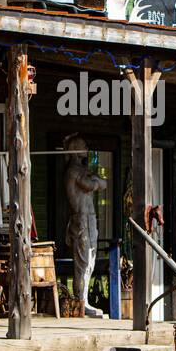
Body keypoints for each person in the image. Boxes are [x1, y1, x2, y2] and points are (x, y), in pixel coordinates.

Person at [63, 134, 106, 315]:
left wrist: (97, 180)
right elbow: (91, 185)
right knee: (83, 260)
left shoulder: (81, 169)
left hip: (88, 217)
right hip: (81, 219)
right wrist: (96, 180)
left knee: (90, 261)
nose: (86, 148)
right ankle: (81, 301)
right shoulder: (74, 170)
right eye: (83, 145)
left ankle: (84, 300)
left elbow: (101, 183)